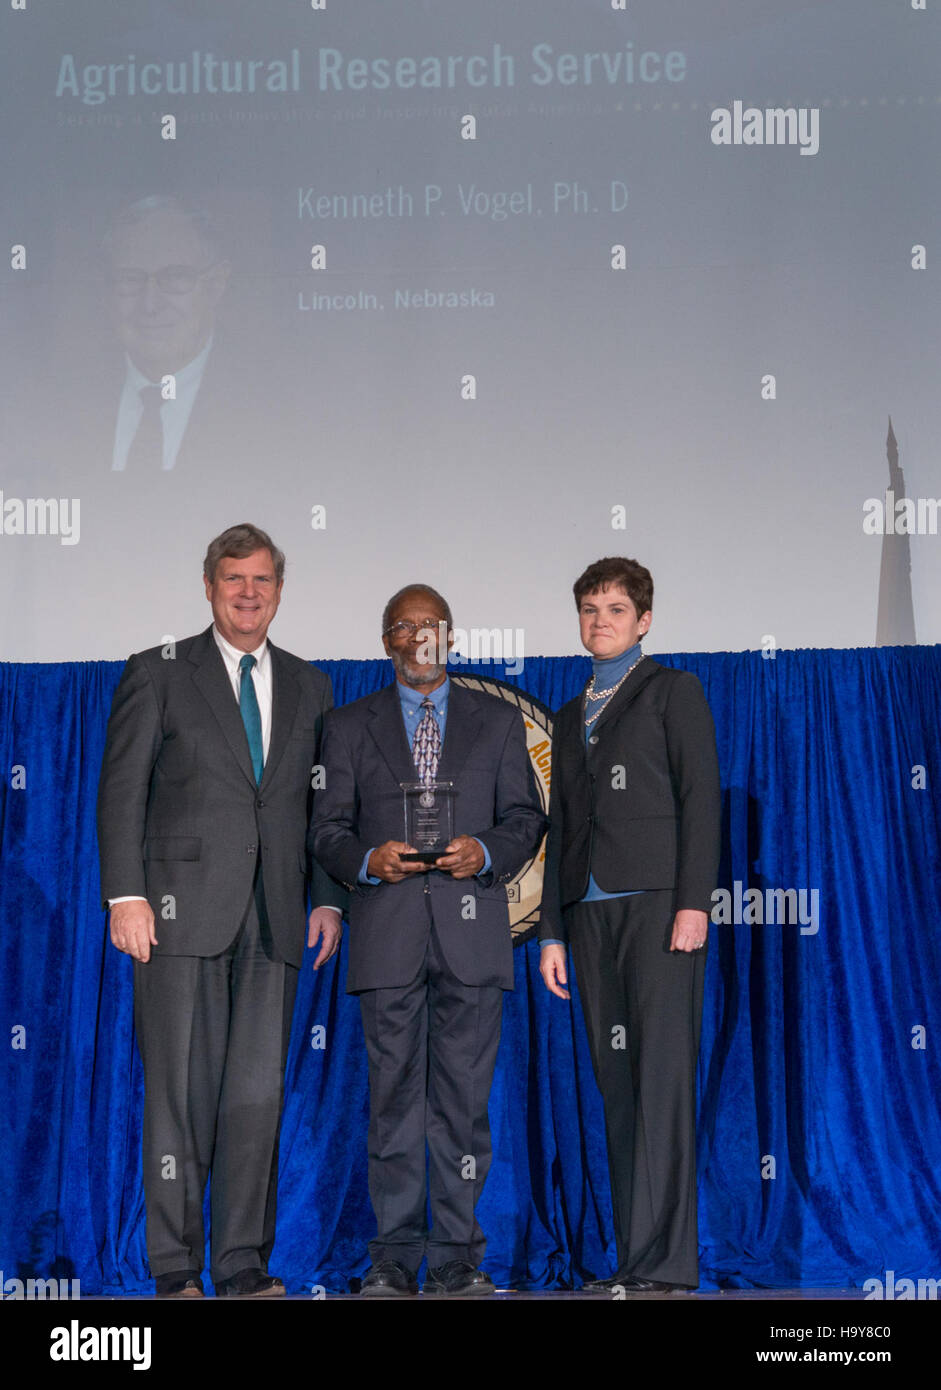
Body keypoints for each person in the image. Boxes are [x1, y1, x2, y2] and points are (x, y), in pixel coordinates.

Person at [96, 522, 345, 1298]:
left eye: (261, 581)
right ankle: (175, 1270)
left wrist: (329, 900)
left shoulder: (310, 684)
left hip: (273, 920)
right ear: (209, 587)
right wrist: (126, 895)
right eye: (233, 579)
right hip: (173, 920)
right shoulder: (158, 672)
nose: (247, 593)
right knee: (177, 1097)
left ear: (278, 591)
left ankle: (241, 1265)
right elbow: (121, 793)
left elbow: (323, 804)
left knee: (255, 1101)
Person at [311, 584, 546, 1297]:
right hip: (387, 938)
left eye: (432, 626)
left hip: (472, 939)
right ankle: (390, 1261)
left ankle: (455, 1262)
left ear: (451, 637)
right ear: (386, 640)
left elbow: (524, 818)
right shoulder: (347, 726)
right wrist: (362, 861)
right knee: (391, 1107)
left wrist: (484, 851)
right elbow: (324, 827)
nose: (419, 638)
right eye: (404, 627)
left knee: (462, 1110)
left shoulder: (498, 723)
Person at [539, 556, 721, 1293]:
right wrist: (551, 930)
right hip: (588, 917)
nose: (600, 621)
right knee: (617, 1089)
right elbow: (560, 829)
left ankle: (665, 1267)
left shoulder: (672, 692)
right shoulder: (563, 714)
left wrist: (691, 903)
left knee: (661, 1086)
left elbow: (700, 799)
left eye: (614, 609)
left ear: (643, 620)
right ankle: (630, 1262)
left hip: (656, 910)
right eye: (589, 609)